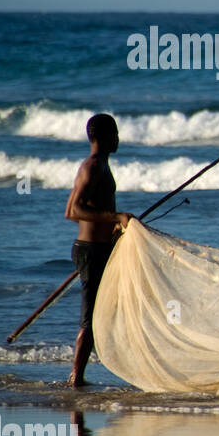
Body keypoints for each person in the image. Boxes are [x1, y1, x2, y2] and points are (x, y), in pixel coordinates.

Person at [64, 114, 133, 387]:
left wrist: (112, 225)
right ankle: (75, 378)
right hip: (91, 251)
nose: (118, 139)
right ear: (104, 137)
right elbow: (73, 211)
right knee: (89, 318)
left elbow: (79, 211)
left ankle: (80, 376)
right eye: (115, 133)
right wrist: (115, 217)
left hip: (97, 249)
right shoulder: (93, 166)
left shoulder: (99, 165)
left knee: (100, 313)